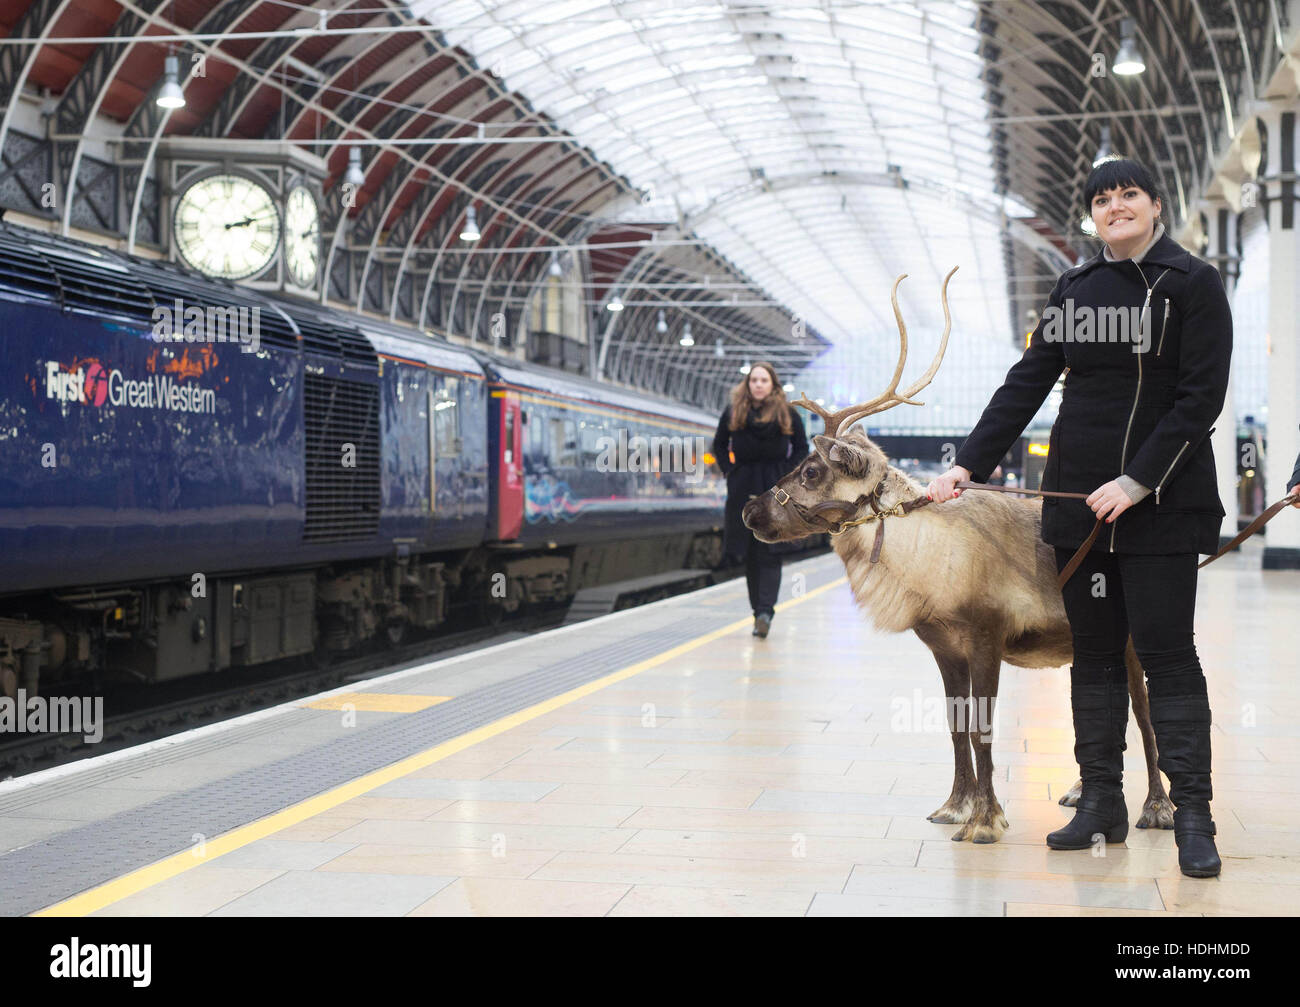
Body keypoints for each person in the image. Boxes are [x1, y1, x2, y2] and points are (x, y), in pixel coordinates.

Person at [927, 157, 1232, 878]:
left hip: (1161, 504)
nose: (1116, 205)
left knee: (1167, 657)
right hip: (1077, 508)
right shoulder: (1074, 289)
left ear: (1156, 204)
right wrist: (968, 464)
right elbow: (1026, 382)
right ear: (1092, 215)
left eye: (1129, 193)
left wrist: (1137, 479)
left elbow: (1200, 398)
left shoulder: (1194, 285)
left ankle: (1193, 814)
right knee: (1094, 658)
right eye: (1102, 197)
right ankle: (1101, 802)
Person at [712, 362, 808, 638]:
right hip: (743, 487)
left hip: (775, 489)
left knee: (770, 552)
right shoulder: (733, 412)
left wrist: (788, 475)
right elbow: (719, 444)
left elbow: (802, 447)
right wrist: (730, 471)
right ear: (748, 384)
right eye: (754, 380)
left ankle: (765, 611)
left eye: (764, 380)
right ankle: (759, 612)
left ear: (773, 385)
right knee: (751, 553)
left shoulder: (787, 414)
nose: (758, 384)